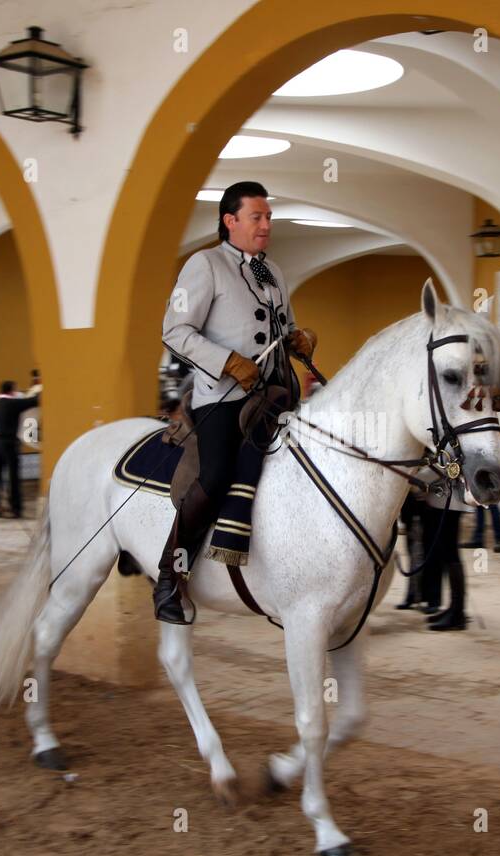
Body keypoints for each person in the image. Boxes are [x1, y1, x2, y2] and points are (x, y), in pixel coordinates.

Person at [153, 180, 318, 624]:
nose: (266, 225)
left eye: (268, 217)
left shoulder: (275, 272)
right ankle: (171, 575)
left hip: (276, 395)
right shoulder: (204, 265)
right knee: (219, 470)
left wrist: (299, 340)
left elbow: (281, 328)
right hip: (222, 398)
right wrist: (226, 360)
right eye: (257, 217)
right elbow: (175, 331)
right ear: (230, 221)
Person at [419, 483, 472, 631]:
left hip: (450, 502)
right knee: (447, 554)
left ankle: (457, 613)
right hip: (444, 500)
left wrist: (414, 479)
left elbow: (440, 466)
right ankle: (454, 608)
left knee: (450, 554)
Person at [0, 379, 41, 518]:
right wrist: (39, 388)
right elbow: (34, 401)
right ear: (12, 391)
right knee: (13, 478)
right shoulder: (12, 403)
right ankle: (16, 509)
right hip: (9, 444)